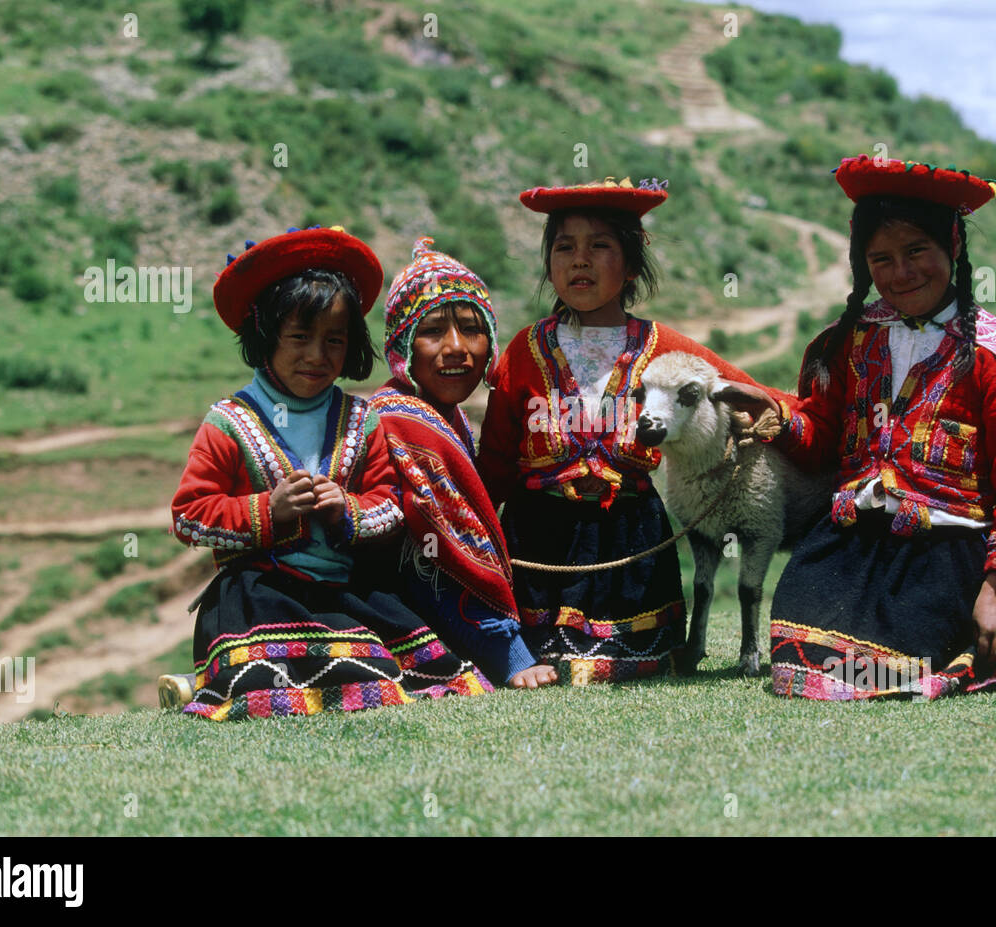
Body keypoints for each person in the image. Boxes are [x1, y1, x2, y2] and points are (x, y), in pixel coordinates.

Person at [740, 156, 996, 699]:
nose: (901, 273)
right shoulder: (852, 342)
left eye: (916, 252)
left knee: (895, 662)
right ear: (863, 266)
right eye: (880, 259)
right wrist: (777, 415)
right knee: (797, 650)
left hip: (946, 552)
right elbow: (821, 439)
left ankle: (953, 642)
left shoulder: (991, 355)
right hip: (851, 546)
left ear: (952, 247)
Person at [166, 226, 493, 720]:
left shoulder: (362, 422)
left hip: (343, 592)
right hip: (259, 593)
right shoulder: (228, 424)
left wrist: (348, 509)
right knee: (263, 688)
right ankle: (212, 680)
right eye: (299, 337)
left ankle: (200, 683)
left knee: (408, 678)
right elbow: (189, 516)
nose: (317, 356)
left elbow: (390, 507)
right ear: (264, 335)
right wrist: (266, 511)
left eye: (333, 340)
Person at [477, 177, 791, 685]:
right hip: (539, 547)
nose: (580, 260)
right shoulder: (522, 351)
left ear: (631, 262)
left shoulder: (667, 349)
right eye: (564, 247)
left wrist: (789, 420)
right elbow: (494, 461)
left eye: (600, 245)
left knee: (635, 665)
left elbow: (759, 398)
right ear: (548, 263)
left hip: (631, 545)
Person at [369, 237, 558, 689]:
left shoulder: (443, 415)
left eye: (472, 330)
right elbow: (451, 552)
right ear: (403, 347)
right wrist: (507, 651)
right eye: (434, 331)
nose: (457, 347)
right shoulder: (401, 423)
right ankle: (500, 650)